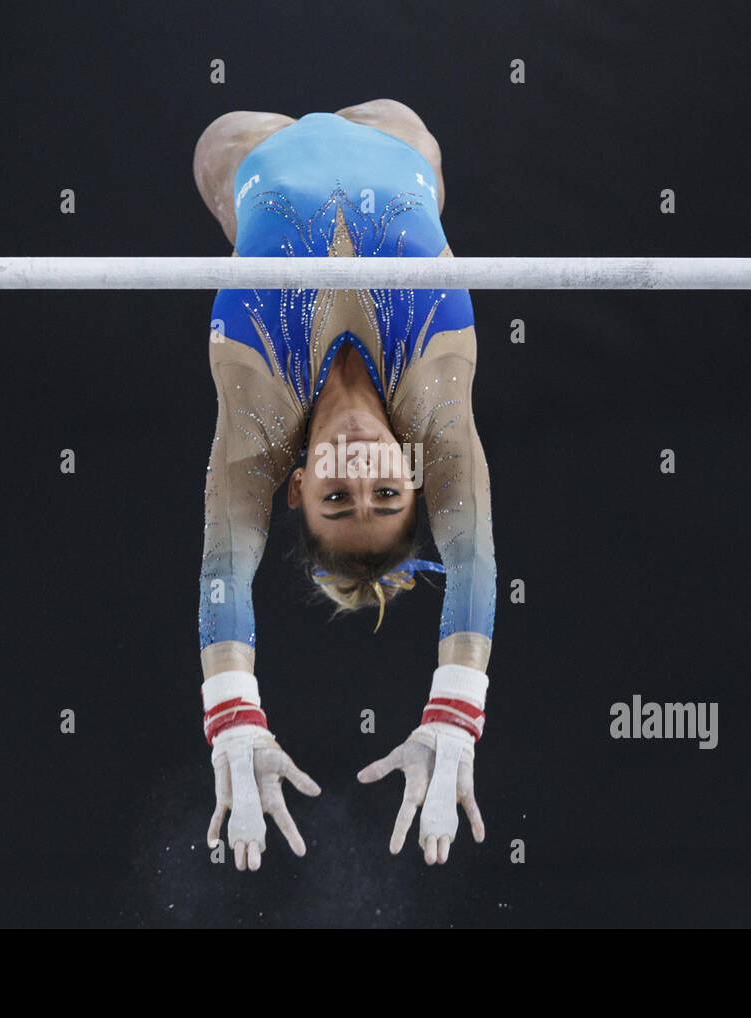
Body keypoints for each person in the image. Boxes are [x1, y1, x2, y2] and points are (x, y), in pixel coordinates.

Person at [193, 99, 496, 871]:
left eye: (336, 500)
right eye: (386, 497)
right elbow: (474, 557)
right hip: (394, 138)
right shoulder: (436, 392)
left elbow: (225, 565)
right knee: (410, 139)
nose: (360, 476)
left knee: (220, 151)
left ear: (294, 487)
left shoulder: (257, 401)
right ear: (415, 474)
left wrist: (232, 718)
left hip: (248, 153)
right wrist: (457, 711)